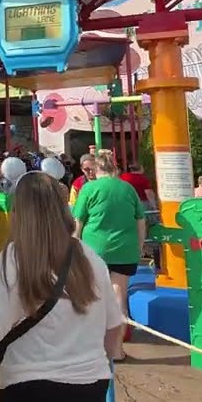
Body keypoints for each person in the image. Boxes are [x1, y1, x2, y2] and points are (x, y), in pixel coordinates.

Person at [0, 172, 124, 402]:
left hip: (28, 388)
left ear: (18, 212)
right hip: (89, 388)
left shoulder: (13, 258)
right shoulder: (90, 258)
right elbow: (113, 327)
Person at [70, 150, 144, 361]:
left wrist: (74, 248)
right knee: (119, 298)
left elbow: (78, 222)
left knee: (92, 297)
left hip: (94, 249)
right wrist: (138, 247)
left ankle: (93, 348)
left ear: (96, 168)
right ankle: (117, 350)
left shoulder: (89, 188)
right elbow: (140, 221)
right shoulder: (127, 189)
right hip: (125, 249)